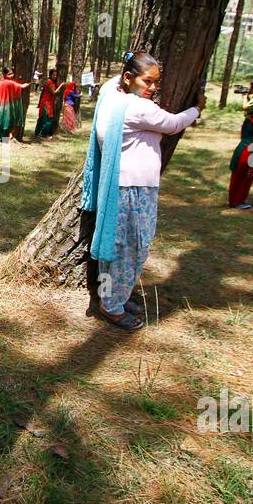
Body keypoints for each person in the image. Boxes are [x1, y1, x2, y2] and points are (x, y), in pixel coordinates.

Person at [82, 51, 203, 331]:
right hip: (132, 191)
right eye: (147, 81)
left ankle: (114, 297)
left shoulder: (110, 95)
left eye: (155, 82)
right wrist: (197, 108)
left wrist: (129, 69)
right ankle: (111, 307)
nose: (152, 88)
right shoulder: (138, 108)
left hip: (120, 188)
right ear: (128, 77)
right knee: (131, 248)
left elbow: (113, 81)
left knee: (119, 248)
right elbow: (173, 124)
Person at [0, 67, 31, 142]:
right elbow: (21, 86)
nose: (12, 75)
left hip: (0, 106)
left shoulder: (3, 81)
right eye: (9, 74)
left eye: (12, 73)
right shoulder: (8, 82)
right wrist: (29, 83)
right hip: (5, 106)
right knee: (7, 122)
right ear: (5, 74)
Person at [32, 68, 62, 140]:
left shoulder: (52, 82)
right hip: (46, 103)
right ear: (50, 75)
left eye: (56, 75)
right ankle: (43, 134)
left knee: (43, 118)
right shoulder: (50, 83)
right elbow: (54, 92)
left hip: (48, 102)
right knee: (47, 119)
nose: (55, 76)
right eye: (53, 75)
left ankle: (37, 134)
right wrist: (61, 85)